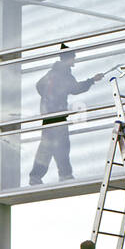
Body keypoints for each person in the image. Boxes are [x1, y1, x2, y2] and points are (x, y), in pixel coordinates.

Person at [29, 45, 101, 185]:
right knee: (60, 144)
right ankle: (64, 175)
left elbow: (39, 85)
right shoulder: (63, 74)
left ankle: (38, 176)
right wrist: (92, 80)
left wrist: (47, 98)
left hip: (47, 115)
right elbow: (75, 89)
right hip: (57, 114)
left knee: (48, 145)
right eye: (73, 58)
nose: (74, 61)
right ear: (68, 58)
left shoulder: (51, 73)